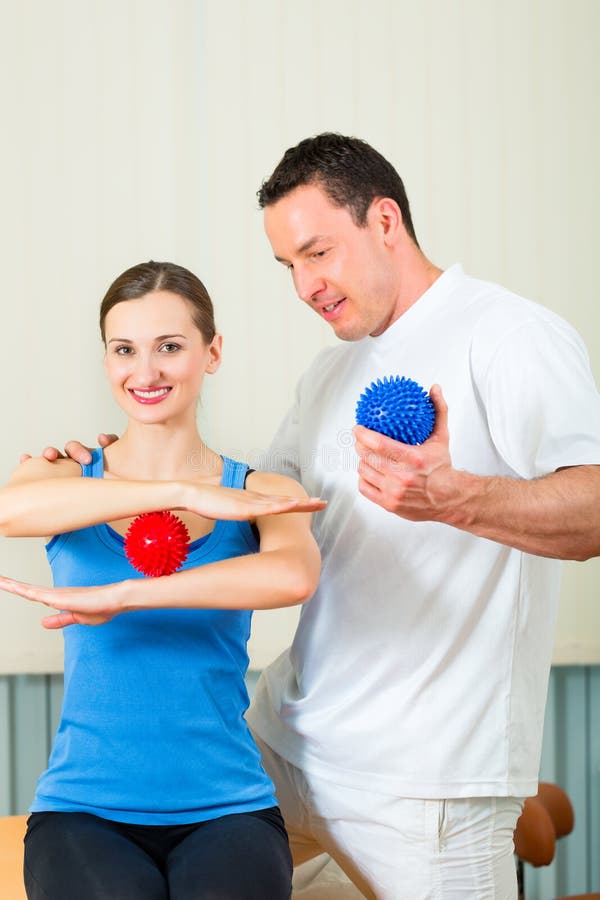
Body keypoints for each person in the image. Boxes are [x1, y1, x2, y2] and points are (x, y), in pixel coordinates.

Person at [17, 135, 600, 899]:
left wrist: (452, 496)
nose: (305, 286)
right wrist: (125, 470)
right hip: (285, 749)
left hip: (425, 780)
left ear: (385, 220)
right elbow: (257, 506)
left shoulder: (509, 337)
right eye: (288, 266)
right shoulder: (334, 366)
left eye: (318, 253)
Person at [0, 260, 326, 900]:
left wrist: (123, 596)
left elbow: (292, 575)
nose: (144, 373)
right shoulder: (65, 477)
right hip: (82, 811)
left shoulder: (263, 492)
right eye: (124, 349)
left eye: (169, 347)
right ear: (106, 360)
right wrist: (182, 488)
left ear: (213, 352)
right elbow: (10, 512)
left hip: (229, 809)